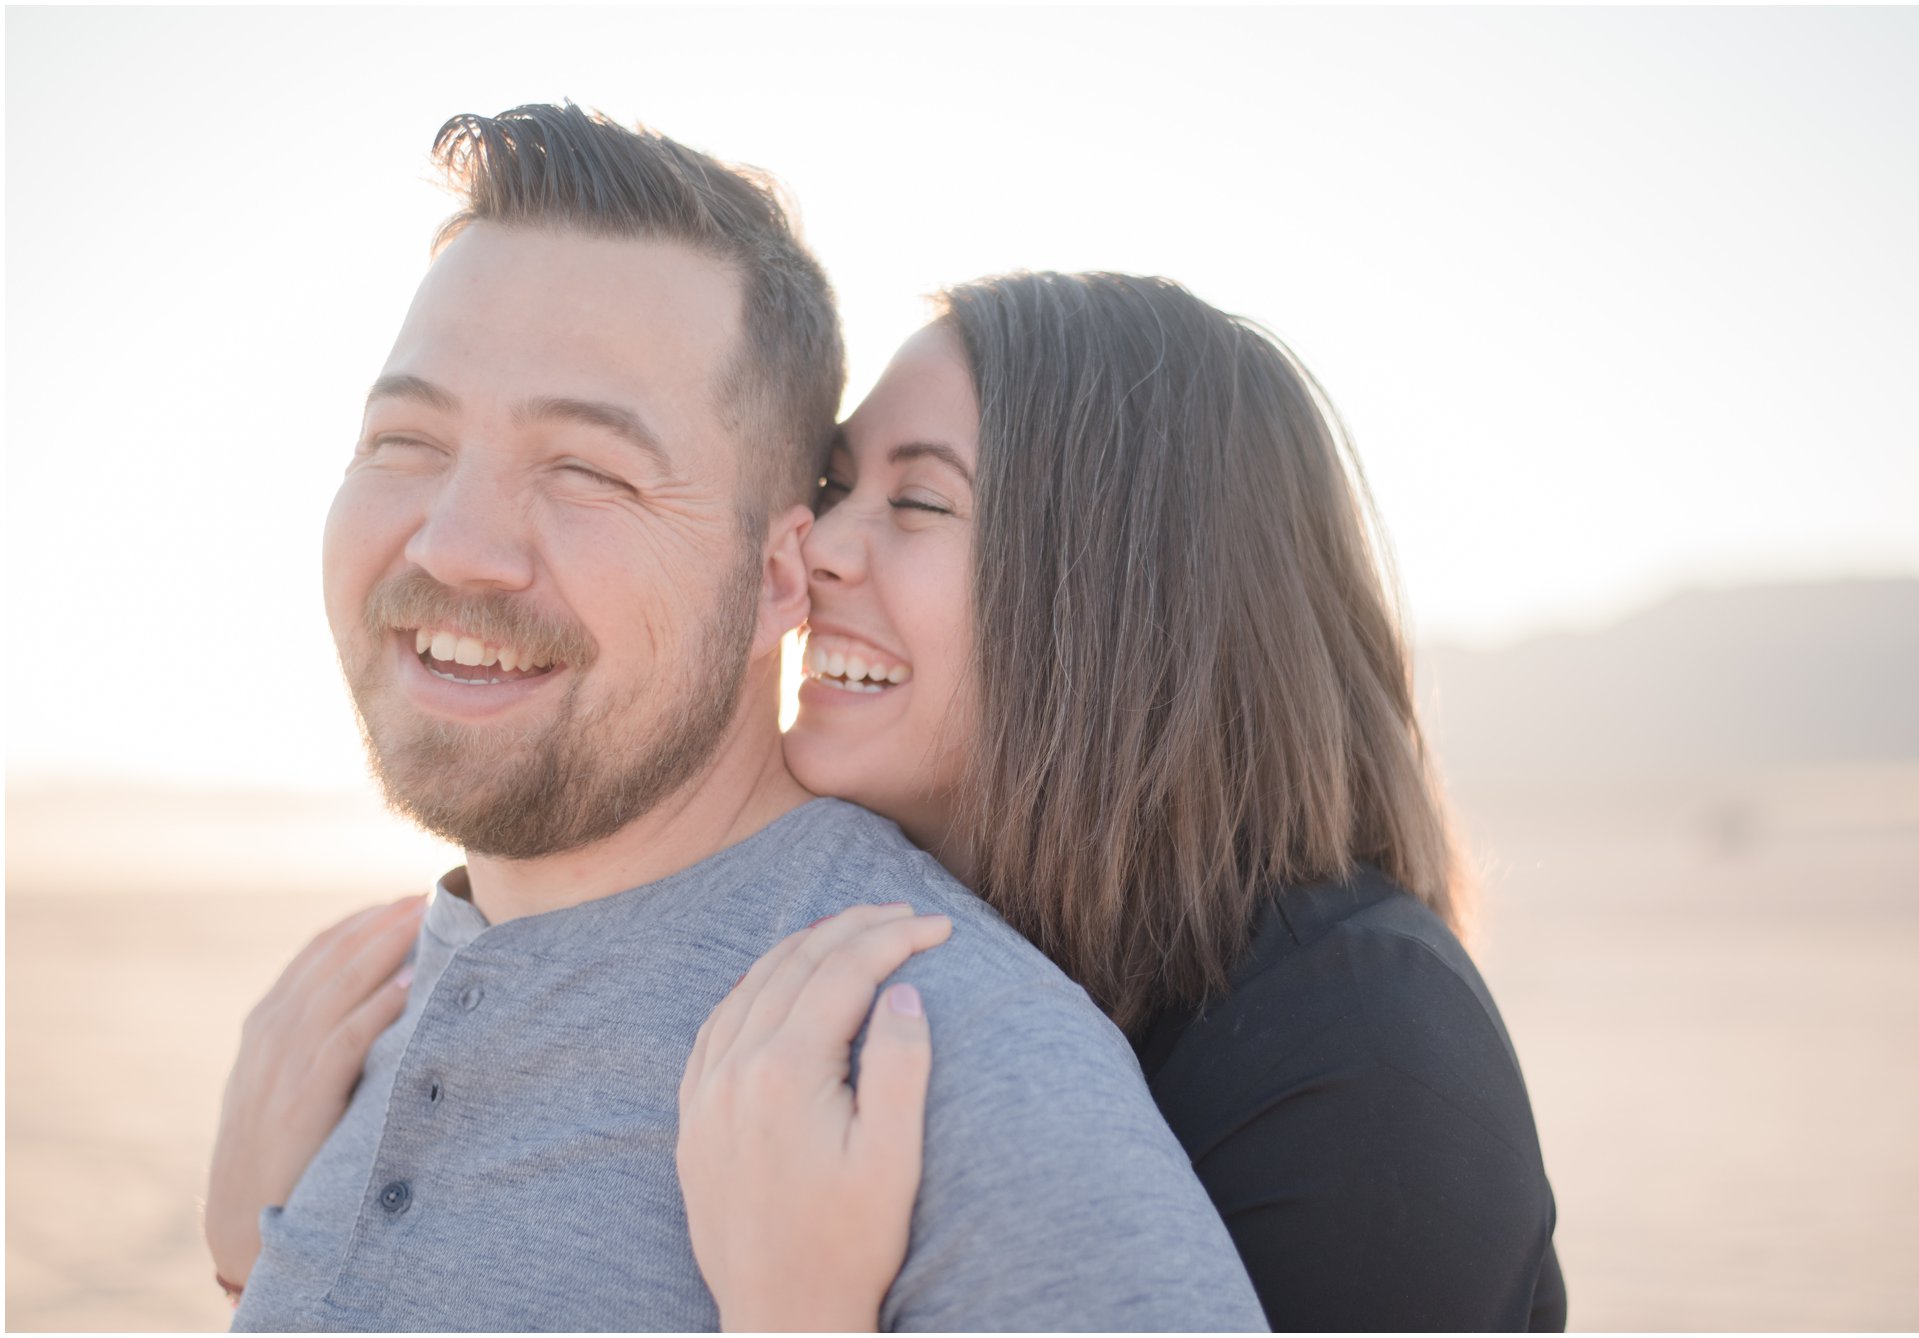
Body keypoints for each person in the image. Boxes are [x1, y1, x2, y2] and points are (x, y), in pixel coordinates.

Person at [205, 104, 1267, 1332]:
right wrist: (248, 1272)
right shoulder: (352, 1025)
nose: (454, 544)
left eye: (587, 469)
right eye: (405, 438)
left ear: (778, 577)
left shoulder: (941, 1066)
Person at [678, 273, 1567, 1330]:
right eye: (832, 489)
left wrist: (797, 1312)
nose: (817, 545)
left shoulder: (1363, 1059)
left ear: (1118, 592)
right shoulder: (912, 935)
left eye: (917, 501)